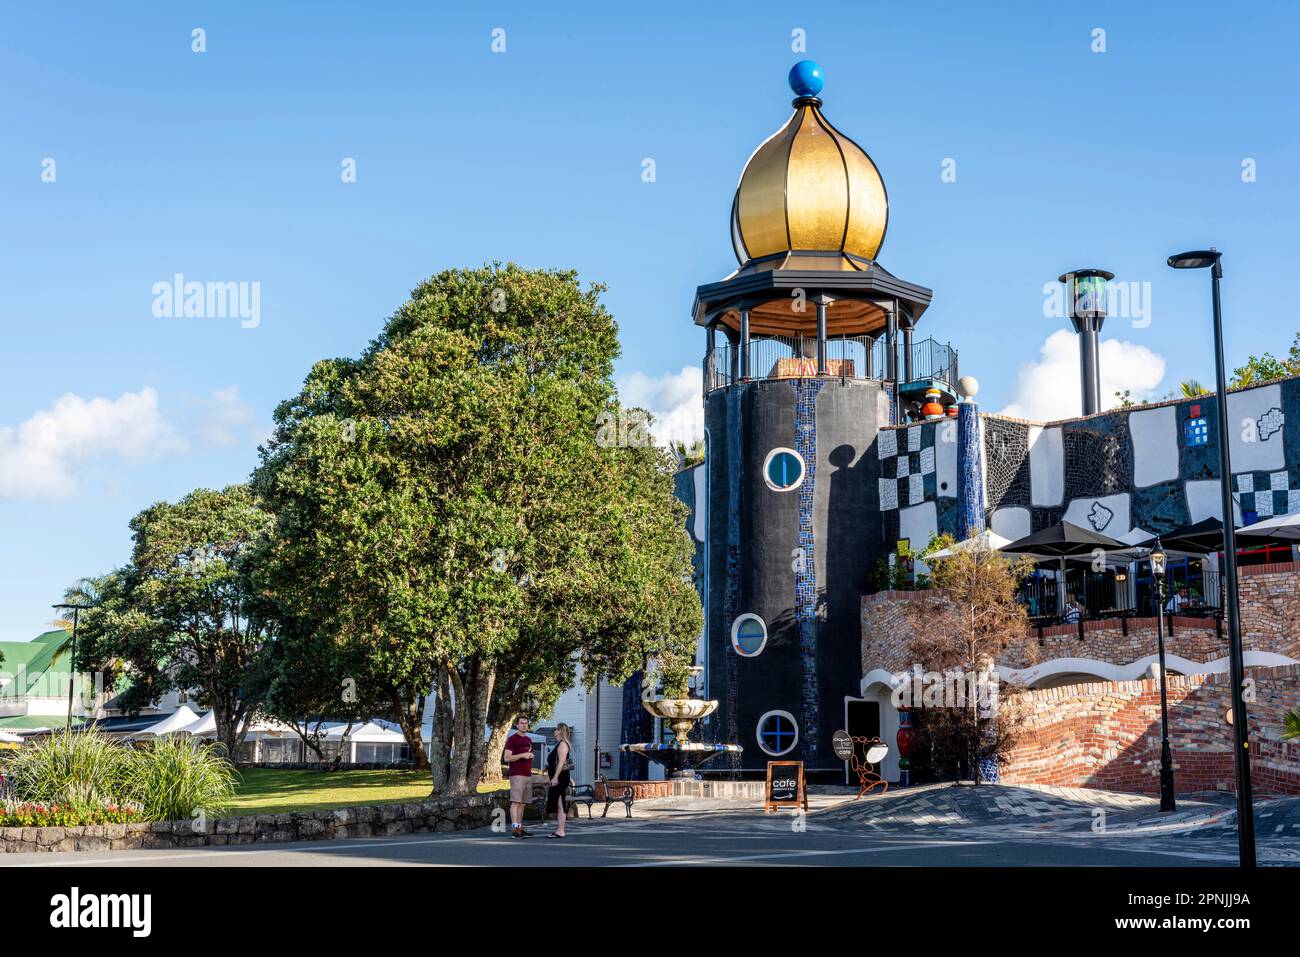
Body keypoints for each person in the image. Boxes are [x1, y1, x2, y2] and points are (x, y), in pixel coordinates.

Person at [504, 715, 535, 839]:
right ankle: (514, 830)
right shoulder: (512, 739)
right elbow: (507, 758)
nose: (524, 725)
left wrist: (530, 756)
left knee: (523, 803)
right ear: (516, 725)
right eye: (521, 723)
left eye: (526, 723)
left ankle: (519, 828)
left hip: (528, 775)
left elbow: (527, 755)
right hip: (516, 775)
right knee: (516, 802)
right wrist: (522, 755)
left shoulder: (528, 740)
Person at [545, 723, 573, 839]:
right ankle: (559, 829)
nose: (554, 731)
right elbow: (556, 761)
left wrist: (555, 777)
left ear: (560, 731)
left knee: (560, 803)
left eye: (556, 729)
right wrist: (547, 768)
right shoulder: (559, 744)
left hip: (560, 778)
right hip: (559, 777)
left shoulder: (562, 744)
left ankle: (561, 831)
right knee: (558, 803)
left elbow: (561, 762)